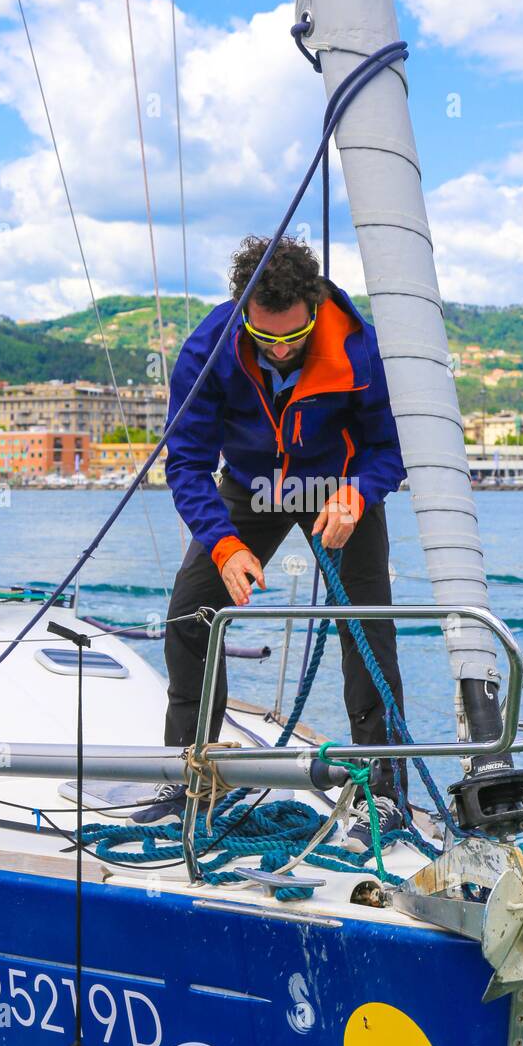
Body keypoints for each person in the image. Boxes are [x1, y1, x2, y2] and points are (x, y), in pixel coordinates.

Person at [140, 235, 407, 851]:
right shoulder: (206, 350)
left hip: (337, 488)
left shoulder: (357, 349)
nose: (282, 349)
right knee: (191, 611)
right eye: (267, 339)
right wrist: (224, 545)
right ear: (243, 316)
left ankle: (386, 793)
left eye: (294, 335)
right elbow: (185, 462)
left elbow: (387, 450)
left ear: (314, 309)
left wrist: (360, 492)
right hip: (252, 485)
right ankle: (192, 774)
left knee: (367, 627)